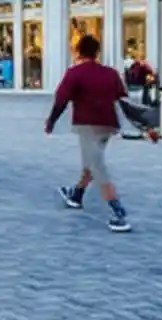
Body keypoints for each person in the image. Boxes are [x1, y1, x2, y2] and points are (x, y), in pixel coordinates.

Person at [45, 34, 133, 233]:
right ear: (97, 52)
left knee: (97, 166)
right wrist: (145, 126)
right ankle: (77, 194)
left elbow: (61, 99)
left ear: (78, 51)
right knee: (93, 161)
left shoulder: (75, 73)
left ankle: (118, 213)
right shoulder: (111, 73)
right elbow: (124, 101)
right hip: (108, 125)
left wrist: (51, 121)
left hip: (87, 125)